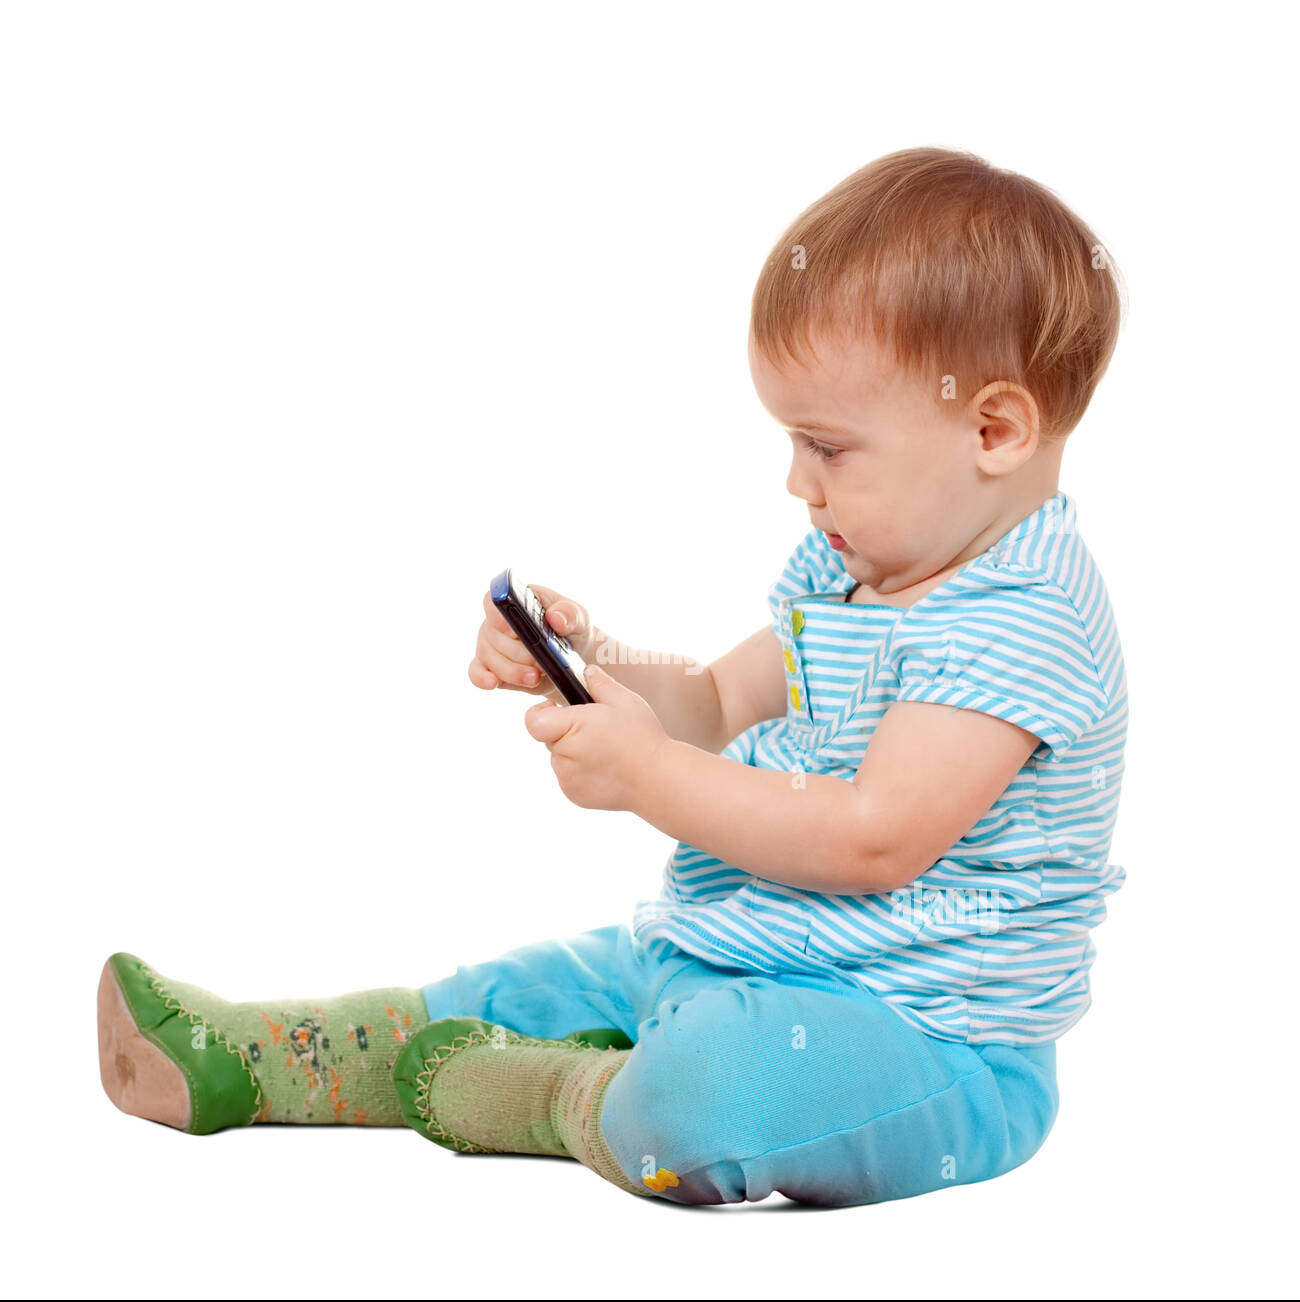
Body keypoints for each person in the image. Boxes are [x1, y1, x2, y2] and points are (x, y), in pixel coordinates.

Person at [99, 146, 1128, 1207]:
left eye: (826, 447)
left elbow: (871, 836)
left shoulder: (1023, 620)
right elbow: (719, 704)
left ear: (993, 429)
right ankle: (255, 1057)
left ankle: (562, 1094)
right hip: (734, 955)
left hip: (928, 1043)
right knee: (540, 982)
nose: (793, 481)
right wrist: (599, 666)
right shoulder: (860, 573)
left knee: (710, 1093)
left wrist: (648, 780)